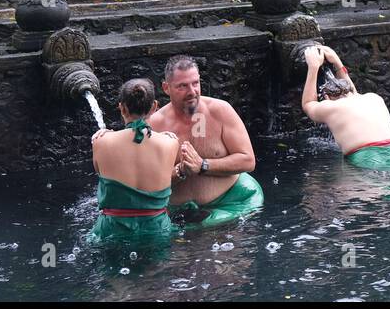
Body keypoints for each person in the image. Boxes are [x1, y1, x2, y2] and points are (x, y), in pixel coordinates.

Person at [147, 55, 263, 228]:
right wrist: (180, 172)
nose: (192, 91)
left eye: (195, 83)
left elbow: (248, 160)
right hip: (176, 212)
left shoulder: (221, 111)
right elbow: (145, 181)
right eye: (182, 86)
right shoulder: (154, 125)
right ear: (166, 88)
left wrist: (203, 165)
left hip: (231, 203)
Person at [87, 78, 180, 243]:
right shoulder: (171, 143)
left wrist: (106, 135)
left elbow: (99, 172)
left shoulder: (101, 142)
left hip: (113, 230)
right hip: (156, 229)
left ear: (122, 108)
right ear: (154, 107)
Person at [301, 44, 390, 171]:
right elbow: (354, 92)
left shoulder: (331, 107)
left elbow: (308, 104)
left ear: (327, 97)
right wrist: (337, 62)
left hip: (367, 158)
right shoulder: (373, 98)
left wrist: (313, 68)